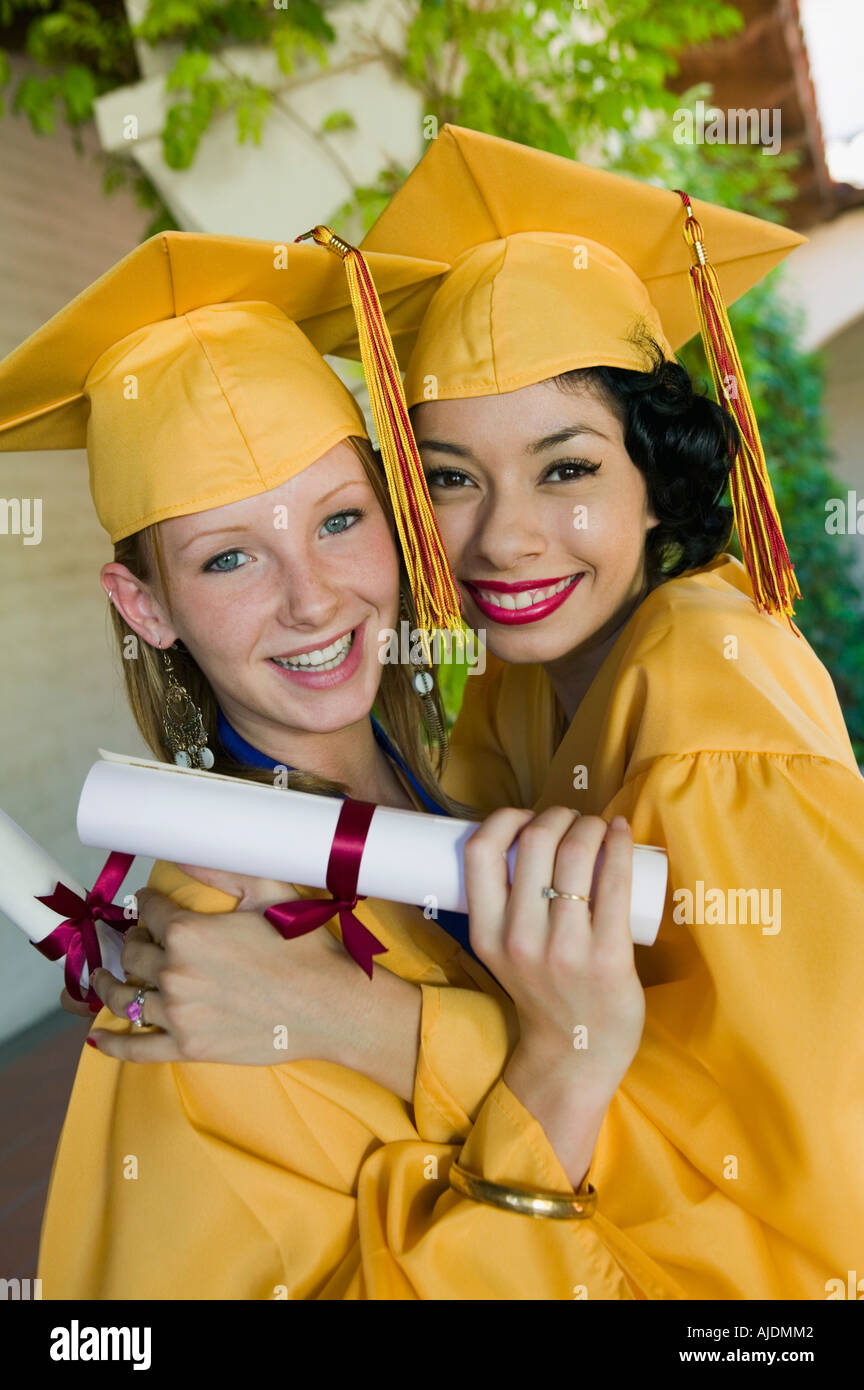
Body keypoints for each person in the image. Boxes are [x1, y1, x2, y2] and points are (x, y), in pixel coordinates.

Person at [0, 229, 644, 1299]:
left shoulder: (482, 768)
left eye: (340, 520)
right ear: (145, 606)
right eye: (231, 556)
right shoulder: (205, 971)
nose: (312, 599)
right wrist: (559, 1078)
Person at [340, 125, 864, 1298]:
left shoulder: (713, 722)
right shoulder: (532, 674)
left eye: (566, 468)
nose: (502, 537)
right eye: (450, 477)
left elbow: (800, 1190)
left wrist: (361, 1027)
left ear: (654, 480)